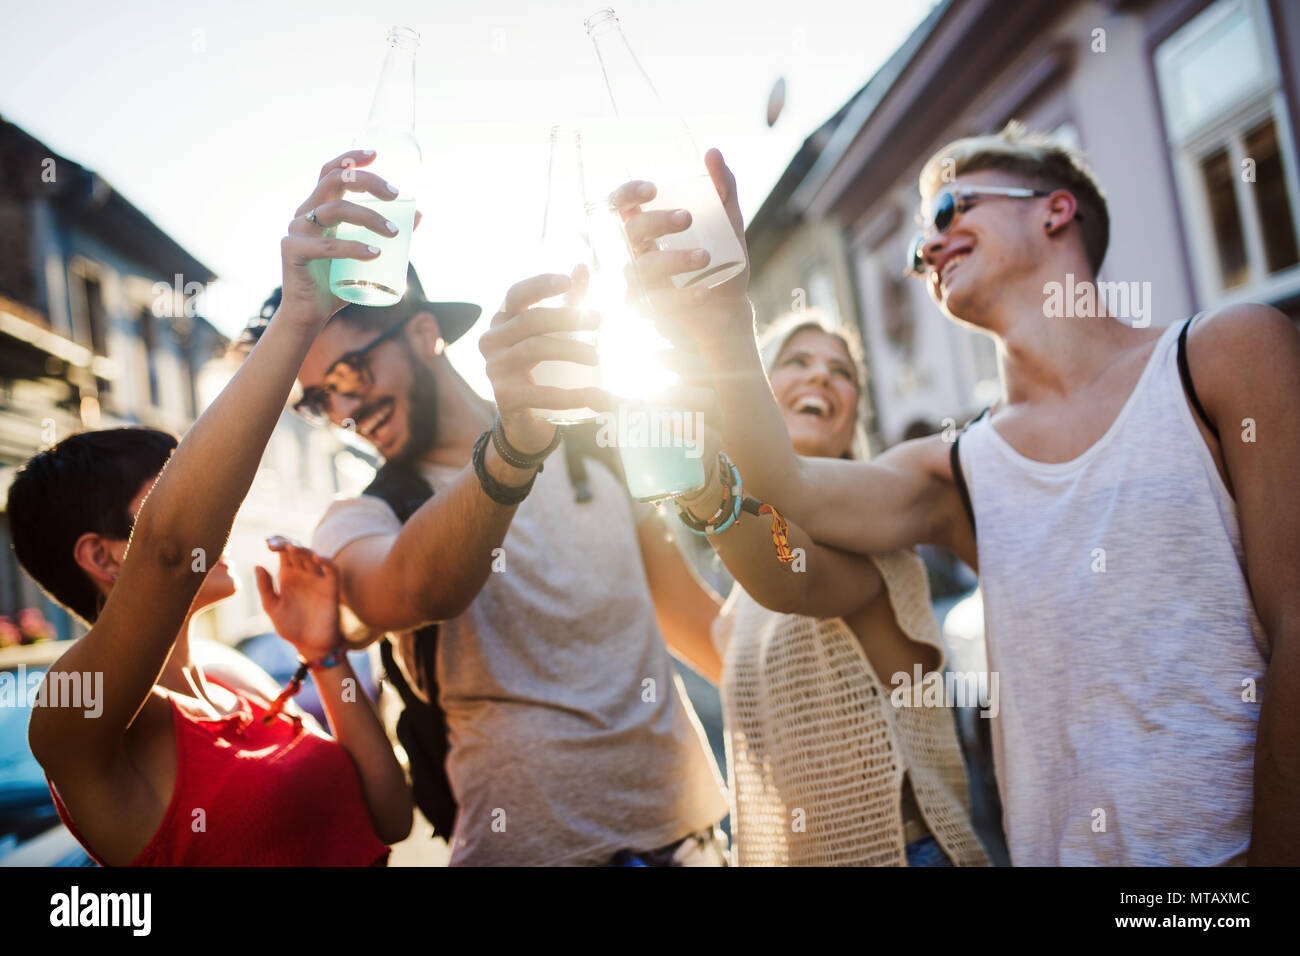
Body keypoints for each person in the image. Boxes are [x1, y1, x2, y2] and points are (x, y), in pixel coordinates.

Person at [615, 126, 1300, 866]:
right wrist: (721, 321)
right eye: (918, 248)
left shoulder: (1224, 355)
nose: (930, 248)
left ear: (1055, 209)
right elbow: (788, 492)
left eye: (948, 210)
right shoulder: (962, 468)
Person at [240, 227, 728, 866]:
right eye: (320, 398)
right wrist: (512, 450)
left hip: (693, 843)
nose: (344, 412)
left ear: (422, 333)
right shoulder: (362, 516)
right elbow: (417, 592)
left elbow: (700, 627)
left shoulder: (594, 453)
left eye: (348, 373)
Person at [12, 149, 419, 864]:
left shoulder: (238, 674)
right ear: (104, 554)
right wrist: (297, 318)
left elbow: (389, 818)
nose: (213, 509)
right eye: (168, 487)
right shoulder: (72, 715)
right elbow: (170, 551)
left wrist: (323, 655)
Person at [650, 309, 989, 866]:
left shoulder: (881, 539)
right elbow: (671, 601)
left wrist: (707, 490)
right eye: (797, 361)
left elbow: (790, 575)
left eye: (842, 371)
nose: (822, 377)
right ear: (756, 392)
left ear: (853, 411)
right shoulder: (738, 607)